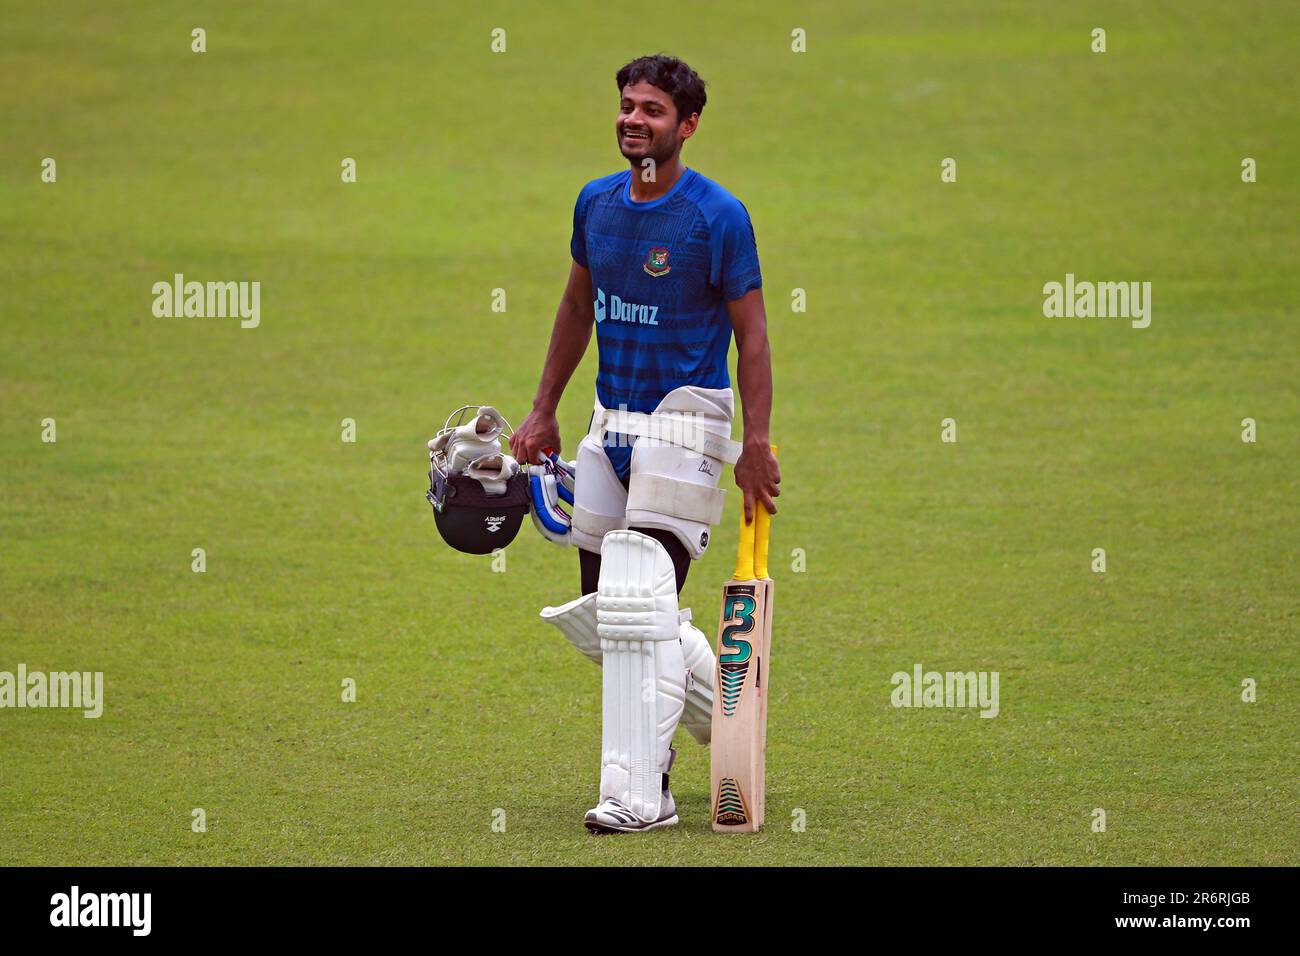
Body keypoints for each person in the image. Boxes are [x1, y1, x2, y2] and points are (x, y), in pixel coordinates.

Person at [510, 54, 780, 833]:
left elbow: (753, 338)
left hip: (688, 421)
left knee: (632, 604)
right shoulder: (595, 204)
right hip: (610, 423)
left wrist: (755, 442)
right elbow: (574, 308)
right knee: (612, 618)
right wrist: (543, 412)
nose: (635, 120)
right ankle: (704, 694)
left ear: (687, 125)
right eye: (628, 106)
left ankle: (641, 793)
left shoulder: (716, 216)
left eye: (653, 111)